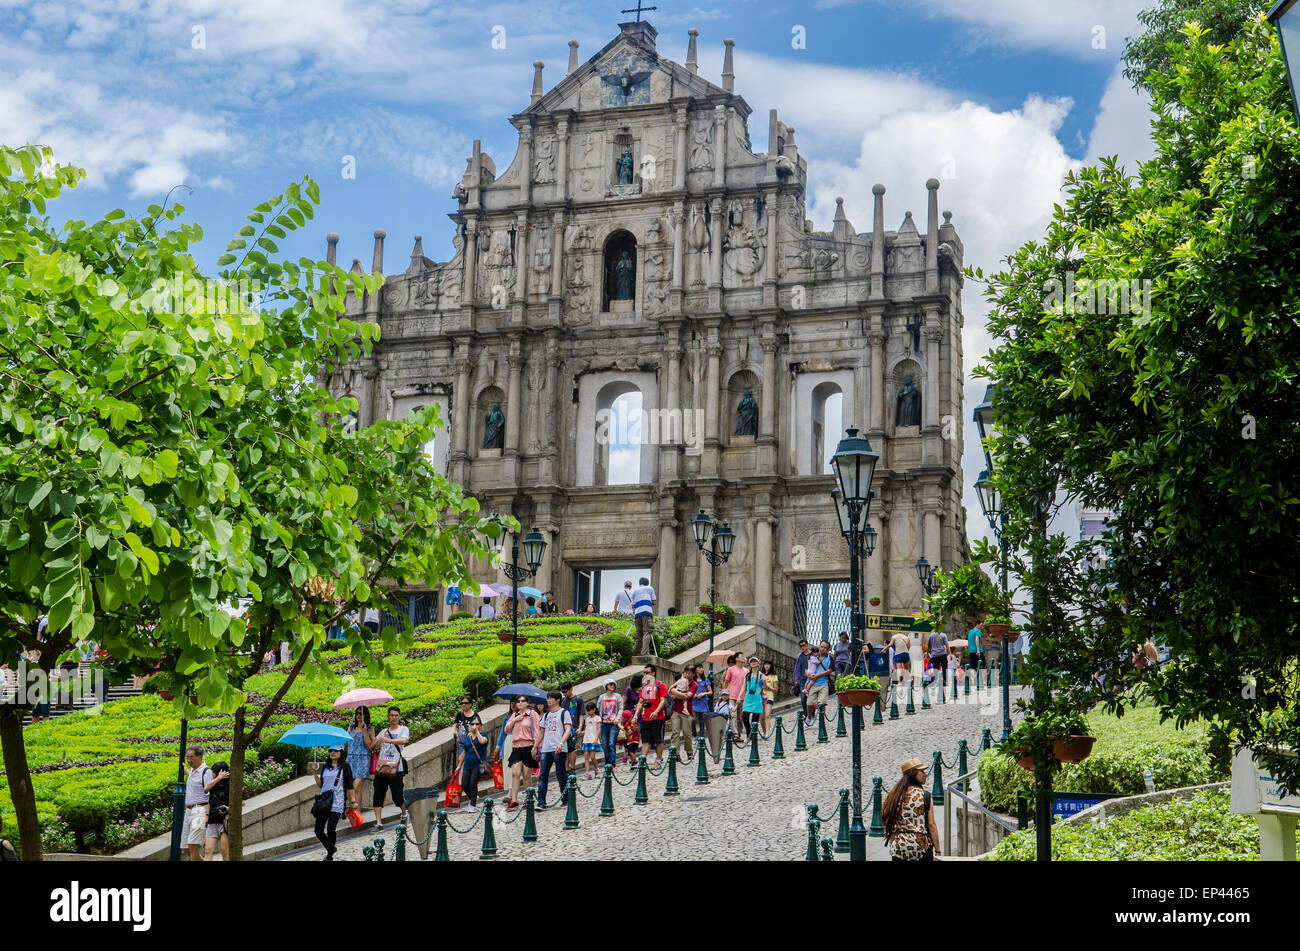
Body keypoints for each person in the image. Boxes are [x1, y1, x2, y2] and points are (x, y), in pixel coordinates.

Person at [882, 757, 940, 861]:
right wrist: (938, 849)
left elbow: (885, 815)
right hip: (920, 846)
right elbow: (931, 824)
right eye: (921, 771)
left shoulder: (893, 795)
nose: (924, 774)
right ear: (913, 773)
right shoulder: (924, 795)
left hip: (899, 846)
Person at [311, 747, 353, 860]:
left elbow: (350, 785)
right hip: (324, 802)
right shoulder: (325, 767)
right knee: (318, 830)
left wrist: (353, 801)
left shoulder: (345, 766)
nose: (333, 753)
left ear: (341, 753)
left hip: (337, 802)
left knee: (330, 829)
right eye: (331, 751)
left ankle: (329, 856)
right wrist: (314, 772)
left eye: (335, 751)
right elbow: (320, 785)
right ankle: (331, 848)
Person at [372, 706, 409, 830]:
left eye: (396, 715)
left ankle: (404, 813)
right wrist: (371, 734)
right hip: (382, 767)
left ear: (399, 717)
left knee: (397, 795)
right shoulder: (383, 731)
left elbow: (403, 741)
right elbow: (374, 744)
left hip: (395, 767)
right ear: (388, 717)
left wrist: (387, 740)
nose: (393, 717)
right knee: (378, 794)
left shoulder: (403, 729)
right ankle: (378, 822)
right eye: (391, 715)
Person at [535, 690, 572, 809]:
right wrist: (535, 746)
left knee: (560, 774)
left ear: (557, 700)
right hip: (546, 748)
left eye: (551, 698)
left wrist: (561, 743)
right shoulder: (546, 715)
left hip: (559, 748)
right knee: (543, 775)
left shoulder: (564, 713)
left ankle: (566, 799)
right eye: (548, 698)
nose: (548, 700)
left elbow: (568, 730)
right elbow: (541, 732)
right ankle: (541, 802)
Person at [504, 695, 540, 810]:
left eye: (522, 701)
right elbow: (507, 729)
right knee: (515, 773)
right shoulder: (514, 715)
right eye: (518, 701)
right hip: (516, 747)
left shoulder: (532, 714)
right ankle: (514, 800)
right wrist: (515, 720)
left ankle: (528, 799)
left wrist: (535, 747)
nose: (520, 703)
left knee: (526, 775)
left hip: (528, 746)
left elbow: (538, 731)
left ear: (527, 702)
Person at [182, 746, 213, 862]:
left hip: (200, 810)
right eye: (187, 758)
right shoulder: (193, 771)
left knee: (193, 846)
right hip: (189, 811)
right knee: (186, 848)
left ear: (199, 757)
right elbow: (195, 782)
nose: (189, 760)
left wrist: (207, 815)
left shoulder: (206, 772)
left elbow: (211, 795)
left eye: (191, 757)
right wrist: (187, 772)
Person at [635, 664, 668, 765]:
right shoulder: (644, 686)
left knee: (658, 740)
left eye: (647, 672)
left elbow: (663, 700)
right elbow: (641, 702)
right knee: (645, 739)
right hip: (646, 717)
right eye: (644, 673)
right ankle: (643, 760)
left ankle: (658, 760)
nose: (645, 674)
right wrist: (636, 714)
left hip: (658, 717)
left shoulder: (660, 685)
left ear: (653, 673)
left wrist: (656, 711)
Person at [459, 716, 490, 812]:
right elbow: (464, 751)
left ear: (481, 725)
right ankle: (473, 797)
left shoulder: (483, 734)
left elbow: (482, 742)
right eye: (472, 724)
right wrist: (459, 765)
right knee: (464, 784)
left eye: (477, 724)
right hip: (468, 763)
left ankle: (472, 805)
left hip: (478, 763)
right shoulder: (468, 736)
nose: (474, 726)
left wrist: (476, 732)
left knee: (473, 783)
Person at [203, 759, 232, 861]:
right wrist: (207, 815)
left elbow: (242, 802)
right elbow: (206, 789)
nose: (212, 775)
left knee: (224, 851)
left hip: (225, 822)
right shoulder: (214, 784)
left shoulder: (232, 785)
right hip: (213, 820)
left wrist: (228, 808)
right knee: (207, 850)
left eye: (214, 773)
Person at [346, 706, 374, 810]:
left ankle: (357, 813)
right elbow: (344, 743)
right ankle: (353, 812)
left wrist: (364, 731)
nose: (358, 716)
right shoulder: (351, 727)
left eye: (361, 713)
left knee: (356, 786)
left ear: (365, 715)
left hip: (363, 759)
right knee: (350, 789)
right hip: (351, 759)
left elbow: (369, 746)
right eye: (357, 713)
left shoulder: (370, 729)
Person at [667, 665, 697, 758]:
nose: (687, 675)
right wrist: (681, 694)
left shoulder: (694, 684)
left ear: (693, 674)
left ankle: (689, 752)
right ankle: (675, 753)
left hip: (687, 711)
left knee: (686, 733)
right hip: (676, 710)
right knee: (675, 732)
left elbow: (688, 695)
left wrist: (676, 695)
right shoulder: (680, 681)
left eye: (689, 673)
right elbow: (670, 690)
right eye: (686, 672)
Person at [597, 679, 624, 768]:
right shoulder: (601, 697)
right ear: (606, 686)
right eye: (610, 684)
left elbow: (620, 708)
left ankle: (612, 763)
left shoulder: (617, 696)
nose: (612, 686)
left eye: (613, 684)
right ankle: (607, 762)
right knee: (605, 744)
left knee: (611, 743)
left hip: (614, 724)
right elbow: (598, 709)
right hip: (604, 723)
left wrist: (618, 718)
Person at [804, 644, 833, 726]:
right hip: (813, 683)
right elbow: (806, 668)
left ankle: (821, 719)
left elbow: (830, 670)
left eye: (825, 647)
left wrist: (818, 676)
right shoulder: (813, 656)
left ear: (828, 649)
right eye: (821, 647)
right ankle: (809, 717)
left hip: (824, 683)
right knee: (809, 703)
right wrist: (809, 676)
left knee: (822, 703)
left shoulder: (829, 658)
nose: (822, 649)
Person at [722, 652, 748, 740]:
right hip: (732, 697)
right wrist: (723, 693)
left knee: (740, 717)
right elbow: (726, 682)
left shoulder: (746, 670)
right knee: (733, 715)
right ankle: (735, 734)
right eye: (742, 656)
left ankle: (739, 734)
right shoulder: (731, 669)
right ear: (736, 659)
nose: (744, 657)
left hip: (743, 698)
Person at [740, 657, 765, 742]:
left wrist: (764, 682)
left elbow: (764, 687)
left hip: (757, 699)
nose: (753, 663)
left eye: (755, 661)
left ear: (758, 663)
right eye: (751, 662)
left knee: (755, 720)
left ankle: (752, 737)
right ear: (750, 664)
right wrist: (739, 697)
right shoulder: (747, 675)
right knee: (745, 717)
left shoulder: (761, 675)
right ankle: (748, 735)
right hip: (748, 698)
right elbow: (744, 687)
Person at [561, 681, 584, 772]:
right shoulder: (562, 700)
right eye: (562, 692)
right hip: (563, 728)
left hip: (574, 727)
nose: (564, 693)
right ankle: (566, 769)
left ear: (571, 689)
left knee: (571, 749)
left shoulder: (578, 699)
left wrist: (580, 727)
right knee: (565, 749)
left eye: (565, 691)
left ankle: (573, 768)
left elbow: (581, 714)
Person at [631, 576, 657, 654]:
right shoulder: (650, 589)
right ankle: (644, 653)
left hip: (637, 614)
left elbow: (632, 605)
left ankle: (637, 653)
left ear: (640, 583)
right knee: (647, 632)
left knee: (639, 634)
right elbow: (654, 602)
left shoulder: (635, 591)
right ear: (647, 583)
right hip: (647, 612)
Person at [580, 702, 602, 779]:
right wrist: (581, 732)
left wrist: (596, 738)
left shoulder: (597, 718)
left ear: (594, 709)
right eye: (587, 710)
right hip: (586, 740)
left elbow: (599, 729)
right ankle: (588, 773)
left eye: (589, 710)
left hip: (593, 740)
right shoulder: (587, 719)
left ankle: (597, 769)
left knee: (592, 757)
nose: (588, 712)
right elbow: (587, 729)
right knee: (586, 757)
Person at [792, 639, 813, 719]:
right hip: (802, 679)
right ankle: (806, 714)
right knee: (803, 697)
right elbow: (797, 668)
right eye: (801, 646)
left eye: (804, 645)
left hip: (812, 678)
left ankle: (811, 712)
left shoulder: (813, 654)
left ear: (807, 645)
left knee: (811, 696)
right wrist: (796, 679)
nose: (803, 647)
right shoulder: (799, 656)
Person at [760, 659, 777, 735]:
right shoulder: (760, 675)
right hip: (760, 697)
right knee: (761, 717)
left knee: (767, 715)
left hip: (769, 696)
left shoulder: (773, 676)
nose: (766, 666)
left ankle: (767, 732)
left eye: (768, 664)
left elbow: (776, 689)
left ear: (771, 666)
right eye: (765, 664)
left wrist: (768, 687)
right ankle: (764, 732)